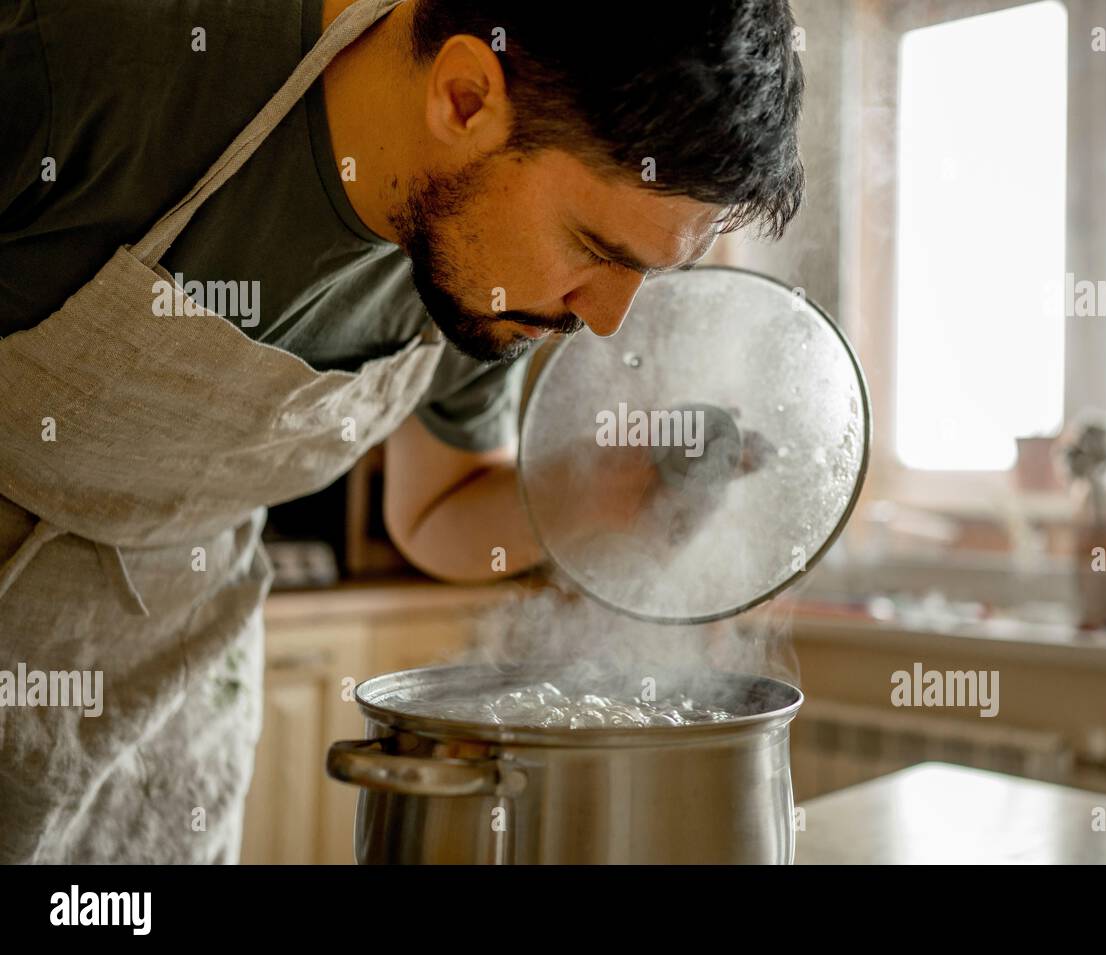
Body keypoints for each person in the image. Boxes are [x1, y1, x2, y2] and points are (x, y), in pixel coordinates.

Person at [0, 0, 805, 862]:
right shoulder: (92, 53)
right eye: (594, 247)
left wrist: (614, 495)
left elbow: (437, 512)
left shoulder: (478, 261)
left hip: (172, 692)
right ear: (464, 97)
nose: (606, 320)